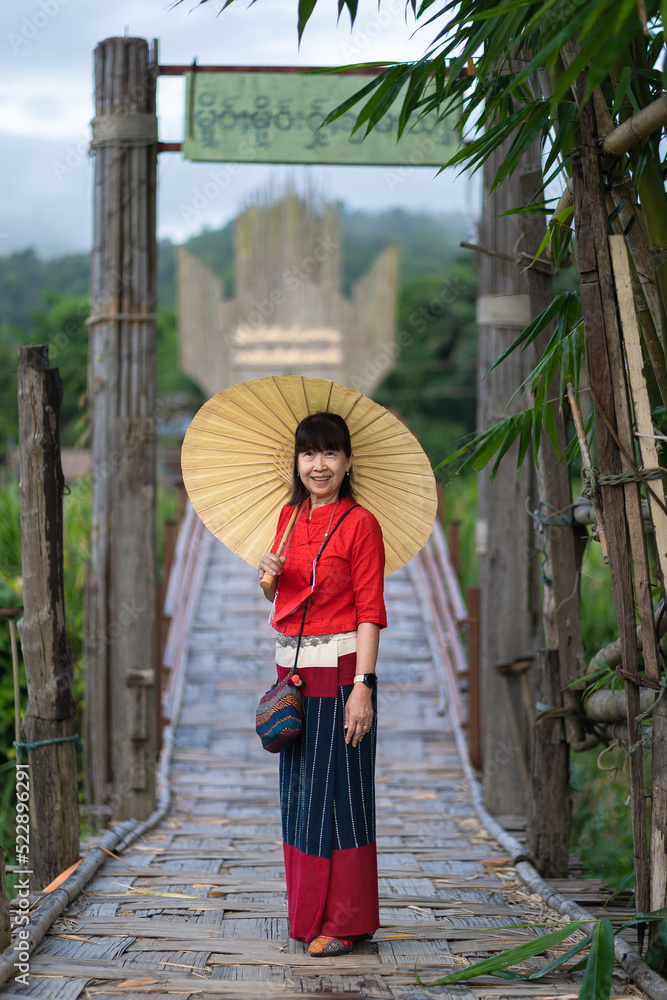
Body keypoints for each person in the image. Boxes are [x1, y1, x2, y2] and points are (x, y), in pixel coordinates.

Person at [258, 411, 387, 956]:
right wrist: (269, 580)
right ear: (297, 461)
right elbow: (284, 602)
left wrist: (364, 684)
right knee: (300, 796)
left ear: (348, 461)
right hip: (292, 675)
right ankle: (307, 915)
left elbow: (370, 611)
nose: (319, 464)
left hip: (340, 676)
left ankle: (346, 920)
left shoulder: (361, 524)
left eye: (330, 453)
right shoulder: (288, 518)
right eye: (309, 453)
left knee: (342, 795)